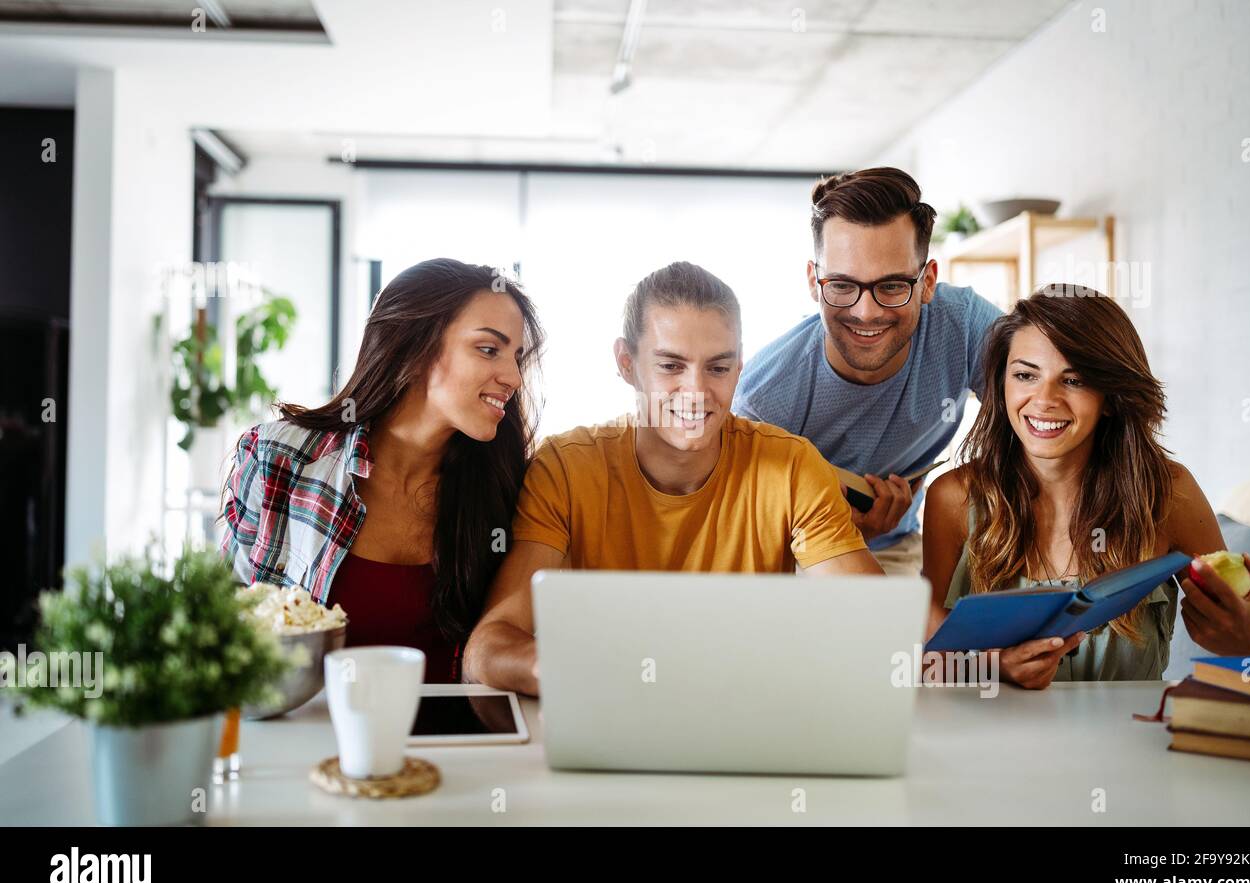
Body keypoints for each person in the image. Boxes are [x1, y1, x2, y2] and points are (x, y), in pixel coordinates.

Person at [463, 262, 884, 695]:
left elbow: (876, 621)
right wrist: (568, 669)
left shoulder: (792, 466)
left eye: (718, 369)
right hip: (609, 710)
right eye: (670, 366)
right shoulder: (566, 468)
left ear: (740, 367)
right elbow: (487, 647)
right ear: (627, 363)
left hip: (742, 713)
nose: (697, 392)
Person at [922, 285, 1250, 688]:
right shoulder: (953, 498)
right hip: (994, 746)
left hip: (1133, 744)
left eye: (1074, 380)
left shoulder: (1169, 493)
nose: (1044, 399)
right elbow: (922, 665)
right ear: (1002, 384)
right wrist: (994, 668)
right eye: (1025, 375)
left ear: (1111, 396)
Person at [220, 258, 545, 683]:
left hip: (466, 747)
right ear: (414, 346)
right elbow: (224, 630)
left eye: (517, 357)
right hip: (318, 745)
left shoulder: (511, 487)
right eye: (488, 349)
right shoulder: (279, 459)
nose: (514, 377)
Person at [732, 167, 1002, 575]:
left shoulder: (961, 324)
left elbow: (1035, 397)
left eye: (892, 286)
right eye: (841, 285)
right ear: (813, 281)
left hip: (900, 545)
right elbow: (749, 537)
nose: (866, 312)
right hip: (792, 558)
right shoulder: (762, 398)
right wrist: (841, 533)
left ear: (928, 282)